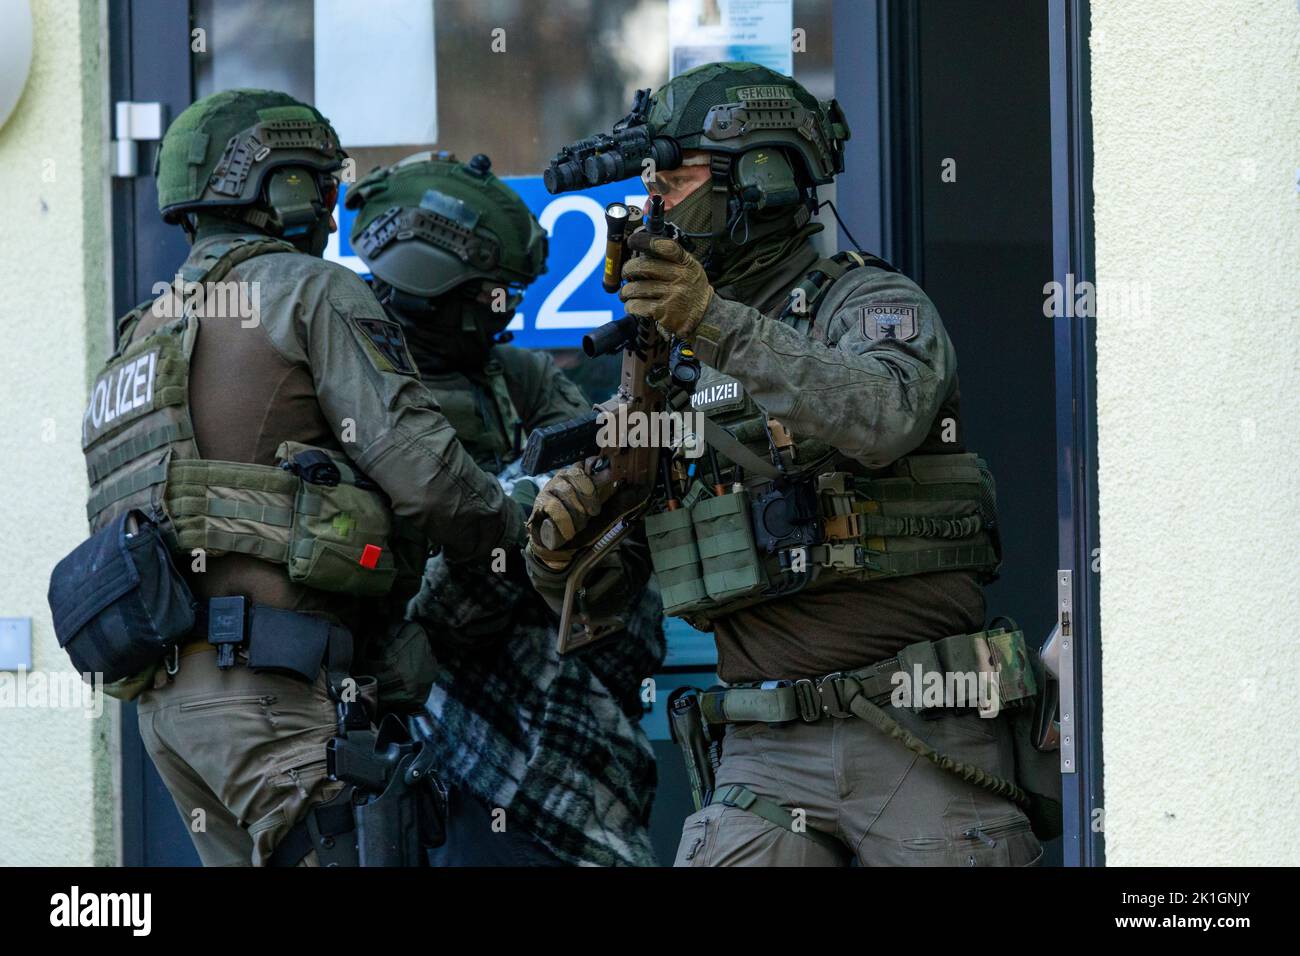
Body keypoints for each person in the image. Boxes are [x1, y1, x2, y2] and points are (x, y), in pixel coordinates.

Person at [527, 62, 1050, 866]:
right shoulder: (672, 358)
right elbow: (624, 583)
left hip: (916, 726)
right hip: (762, 747)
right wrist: (564, 547)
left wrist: (713, 321)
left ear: (761, 180)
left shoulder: (871, 304)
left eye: (674, 180)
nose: (654, 203)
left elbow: (881, 415)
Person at [80, 89, 524, 866]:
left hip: (171, 712)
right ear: (274, 186)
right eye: (321, 186)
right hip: (273, 697)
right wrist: (522, 526)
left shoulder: (137, 339)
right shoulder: (305, 290)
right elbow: (429, 479)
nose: (329, 210)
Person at [344, 151, 665, 866]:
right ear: (432, 285)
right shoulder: (351, 379)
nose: (507, 308)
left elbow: (603, 492)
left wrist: (529, 507)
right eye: (492, 293)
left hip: (542, 701)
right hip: (417, 721)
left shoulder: (516, 377)